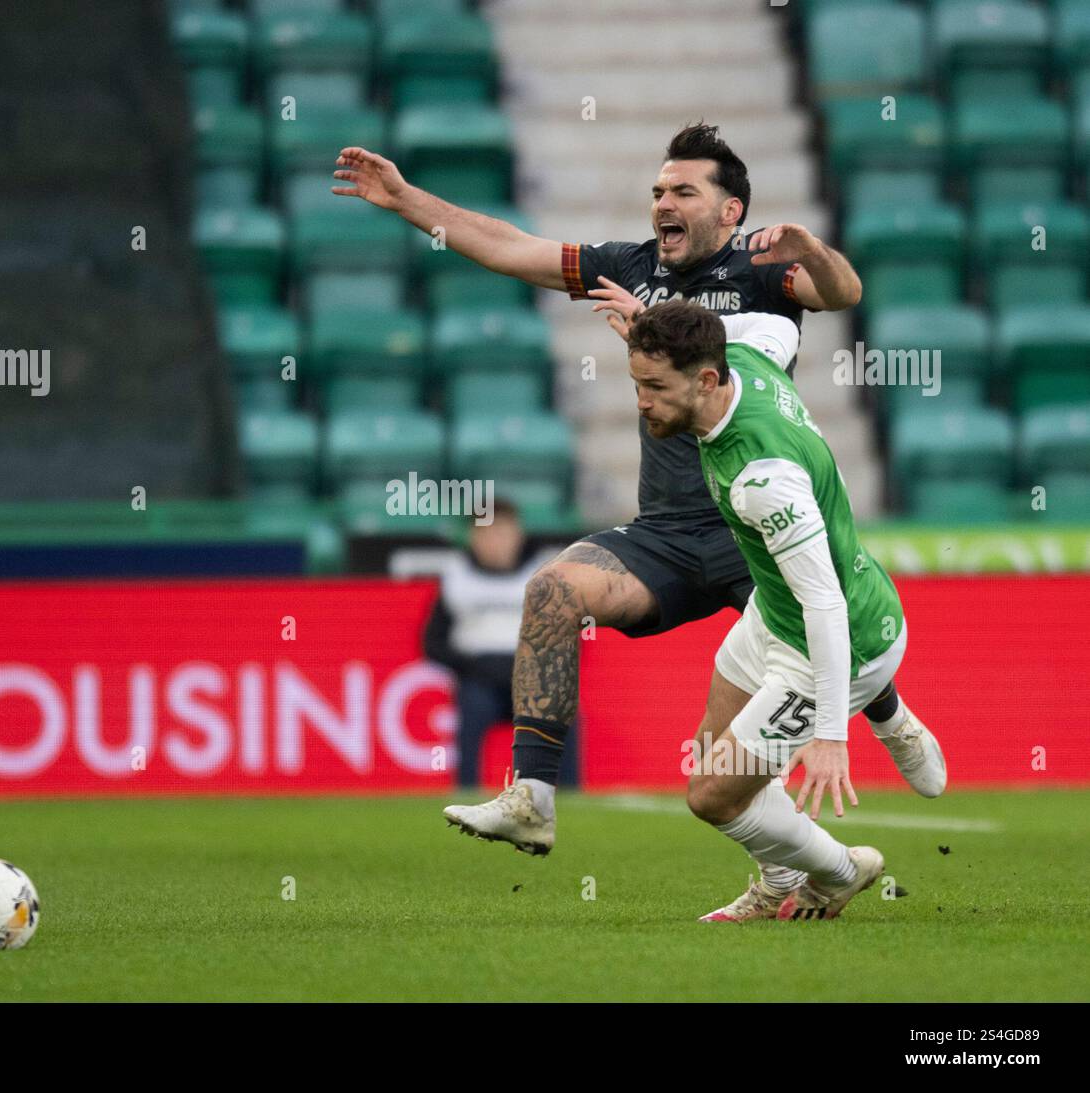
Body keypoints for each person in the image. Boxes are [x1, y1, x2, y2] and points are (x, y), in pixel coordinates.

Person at [333, 124, 941, 862]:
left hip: (749, 524)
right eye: (658, 190)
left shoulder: (763, 269)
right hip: (667, 531)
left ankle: (887, 710)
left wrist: (810, 248)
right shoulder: (629, 266)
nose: (663, 203)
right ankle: (533, 795)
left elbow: (844, 292)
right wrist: (405, 200)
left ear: (730, 211)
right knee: (553, 590)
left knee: (815, 626)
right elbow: (506, 245)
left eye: (684, 190)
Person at [630, 299, 942, 921]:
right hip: (774, 615)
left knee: (712, 794)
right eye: (637, 383)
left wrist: (830, 736)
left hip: (840, 640)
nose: (641, 402)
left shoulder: (762, 477)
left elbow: (824, 602)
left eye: (655, 387)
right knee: (712, 748)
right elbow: (775, 324)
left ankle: (843, 870)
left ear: (707, 380)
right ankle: (778, 879)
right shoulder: (749, 354)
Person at [421, 499, 579, 790]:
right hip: (479, 680)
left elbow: (568, 631)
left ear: (518, 534)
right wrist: (470, 667)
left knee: (561, 706)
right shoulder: (456, 577)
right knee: (472, 707)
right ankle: (466, 793)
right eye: (487, 534)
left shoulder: (543, 574)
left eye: (502, 533)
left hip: (533, 679)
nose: (495, 542)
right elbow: (432, 643)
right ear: (473, 538)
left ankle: (569, 794)